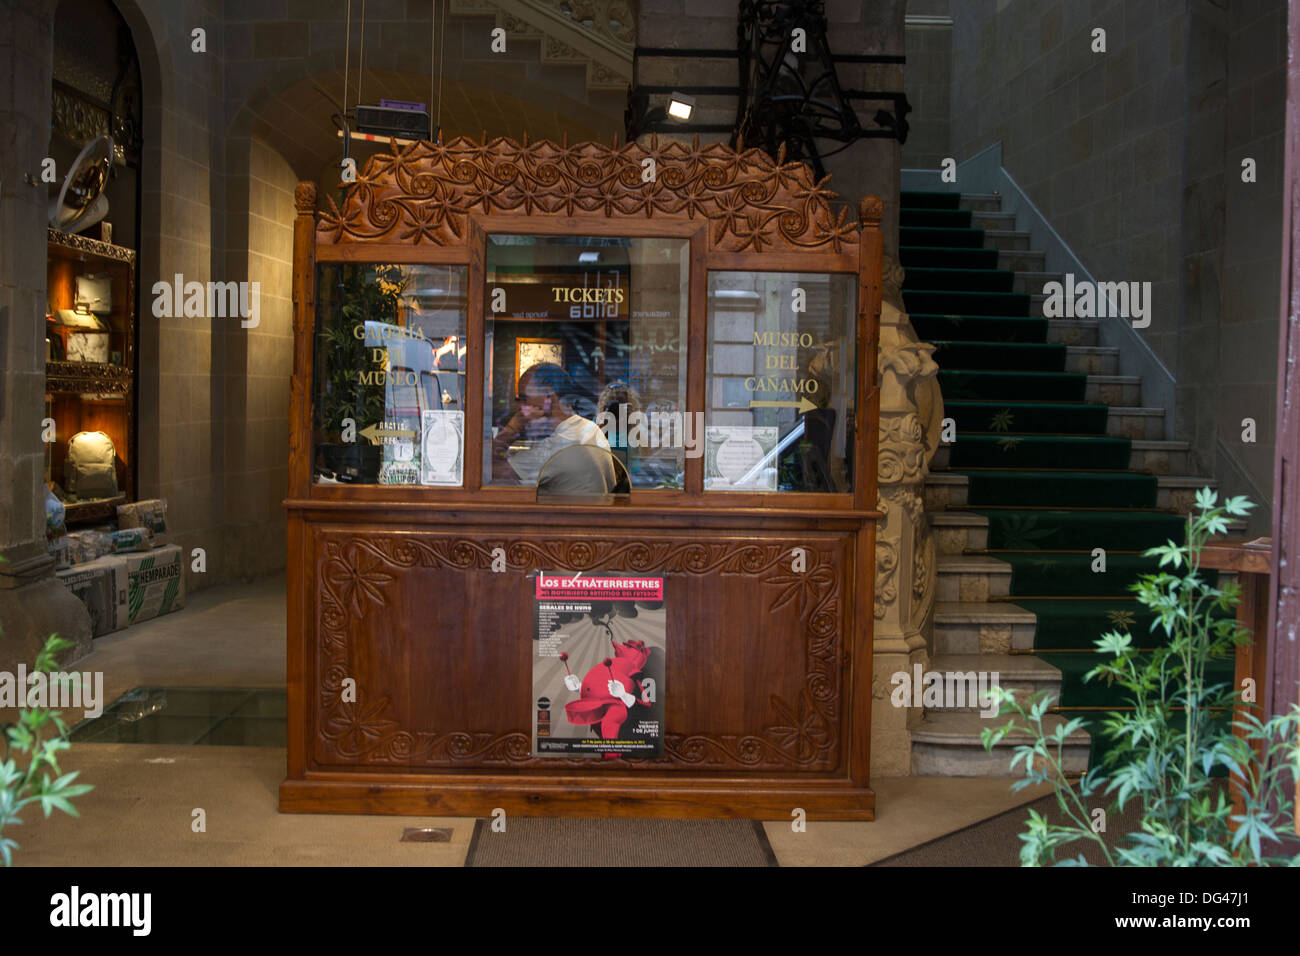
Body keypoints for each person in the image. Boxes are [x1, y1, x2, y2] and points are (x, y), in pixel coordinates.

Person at [492, 362, 610, 485]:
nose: (519, 407)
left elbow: (484, 471)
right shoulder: (589, 428)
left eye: (524, 399)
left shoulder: (559, 444)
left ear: (548, 395)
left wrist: (511, 429)